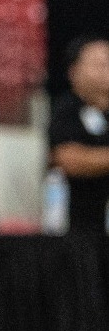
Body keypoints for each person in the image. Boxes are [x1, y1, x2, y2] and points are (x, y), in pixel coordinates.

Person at [48, 36, 109, 233]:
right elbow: (67, 158)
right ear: (74, 72)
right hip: (75, 232)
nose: (105, 69)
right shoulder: (65, 110)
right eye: (97, 64)